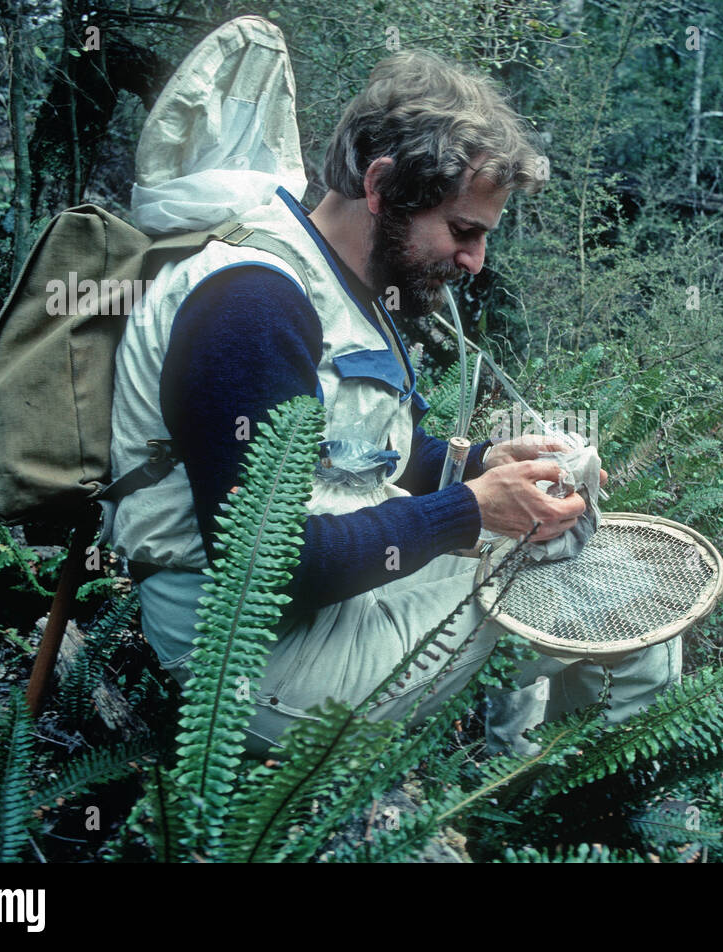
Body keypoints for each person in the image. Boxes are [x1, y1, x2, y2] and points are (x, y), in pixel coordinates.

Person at [108, 44, 681, 756]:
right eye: (463, 231)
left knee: (604, 576)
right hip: (244, 664)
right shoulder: (251, 305)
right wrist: (470, 511)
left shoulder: (348, 284)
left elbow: (355, 465)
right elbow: (268, 570)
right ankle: (568, 811)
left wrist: (477, 466)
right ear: (381, 187)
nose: (475, 261)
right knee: (603, 605)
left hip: (322, 613)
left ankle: (522, 787)